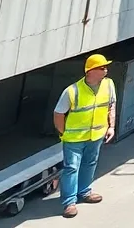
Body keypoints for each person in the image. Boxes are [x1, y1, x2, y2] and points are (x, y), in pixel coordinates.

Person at [54, 54, 116, 219]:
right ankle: (69, 203)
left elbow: (111, 105)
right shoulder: (72, 91)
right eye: (102, 68)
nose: (106, 70)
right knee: (71, 168)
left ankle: (85, 192)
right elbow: (59, 113)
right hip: (74, 139)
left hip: (96, 135)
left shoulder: (109, 85)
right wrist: (63, 132)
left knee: (90, 163)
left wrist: (111, 127)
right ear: (90, 71)